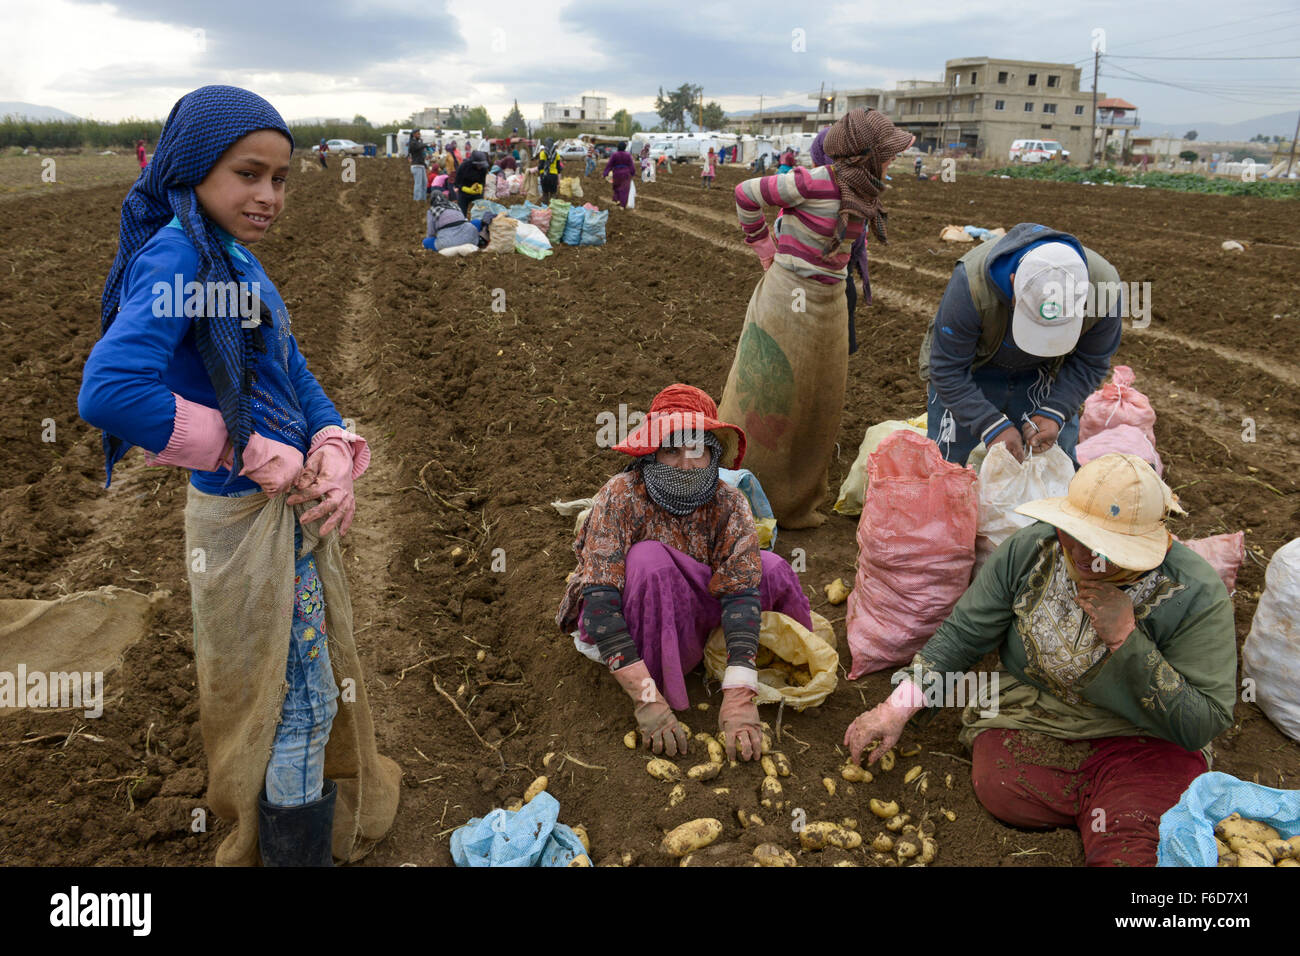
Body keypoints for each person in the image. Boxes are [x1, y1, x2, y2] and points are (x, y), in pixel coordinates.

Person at [77, 84, 399, 867]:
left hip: (280, 515)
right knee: (297, 701)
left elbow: (289, 368)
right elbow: (110, 391)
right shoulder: (180, 253)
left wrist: (327, 442)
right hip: (243, 522)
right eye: (247, 174)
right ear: (192, 169)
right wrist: (244, 447)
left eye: (280, 178)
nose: (268, 195)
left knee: (302, 691)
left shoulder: (233, 257)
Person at [844, 454, 1236, 867]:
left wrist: (1128, 639)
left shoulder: (1196, 593)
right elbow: (963, 636)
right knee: (997, 786)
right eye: (1074, 533)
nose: (1084, 554)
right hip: (1037, 717)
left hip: (1140, 740)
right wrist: (895, 709)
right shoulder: (1031, 548)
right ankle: (1100, 811)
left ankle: (1117, 813)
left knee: (1133, 846)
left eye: (1103, 546)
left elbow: (1203, 720)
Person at [556, 384, 812, 761]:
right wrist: (645, 700)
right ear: (652, 454)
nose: (685, 462)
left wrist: (740, 698)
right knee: (648, 562)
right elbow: (601, 606)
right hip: (636, 616)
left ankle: (737, 660)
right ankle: (659, 682)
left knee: (770, 567)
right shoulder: (621, 496)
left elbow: (741, 595)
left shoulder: (729, 502)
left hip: (697, 607)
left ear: (713, 454)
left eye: (697, 448)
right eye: (671, 449)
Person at [717, 108, 913, 528]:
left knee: (819, 400)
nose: (893, 160)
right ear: (865, 154)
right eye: (888, 153)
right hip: (787, 299)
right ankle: (743, 492)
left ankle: (795, 503)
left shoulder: (863, 190)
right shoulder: (810, 181)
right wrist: (764, 248)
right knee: (771, 392)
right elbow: (745, 193)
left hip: (830, 304)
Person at [918, 223, 1124, 467]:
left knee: (1054, 463)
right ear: (1013, 280)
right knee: (945, 463)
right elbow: (947, 369)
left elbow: (1091, 362)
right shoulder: (972, 285)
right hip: (973, 368)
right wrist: (991, 426)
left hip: (1042, 371)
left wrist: (1055, 411)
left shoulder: (1104, 290)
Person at [454, 149, 489, 217]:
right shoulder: (463, 166)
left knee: (480, 210)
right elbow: (457, 183)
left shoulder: (483, 168)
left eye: (481, 165)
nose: (480, 167)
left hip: (476, 191)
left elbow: (482, 180)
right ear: (473, 163)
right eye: (479, 165)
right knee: (462, 212)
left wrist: (481, 186)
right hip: (464, 191)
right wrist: (465, 189)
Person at [602, 141, 636, 208]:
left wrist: (605, 173)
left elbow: (609, 165)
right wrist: (632, 173)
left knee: (616, 187)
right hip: (626, 174)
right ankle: (622, 205)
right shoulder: (628, 155)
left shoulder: (614, 155)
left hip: (617, 173)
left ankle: (617, 200)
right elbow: (631, 165)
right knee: (624, 190)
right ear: (625, 148)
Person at [537, 137, 563, 203]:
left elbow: (541, 165)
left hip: (544, 176)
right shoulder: (556, 154)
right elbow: (559, 168)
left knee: (545, 193)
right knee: (553, 194)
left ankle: (545, 210)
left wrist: (539, 171)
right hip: (553, 176)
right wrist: (558, 178)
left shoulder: (542, 153)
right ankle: (553, 209)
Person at [408, 131, 427, 201]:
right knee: (418, 184)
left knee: (424, 183)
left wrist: (425, 165)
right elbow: (418, 146)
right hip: (416, 166)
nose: (420, 135)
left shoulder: (418, 142)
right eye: (418, 133)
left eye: (420, 133)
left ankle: (423, 200)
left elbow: (420, 155)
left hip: (421, 165)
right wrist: (426, 144)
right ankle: (417, 201)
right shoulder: (412, 142)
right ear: (414, 135)